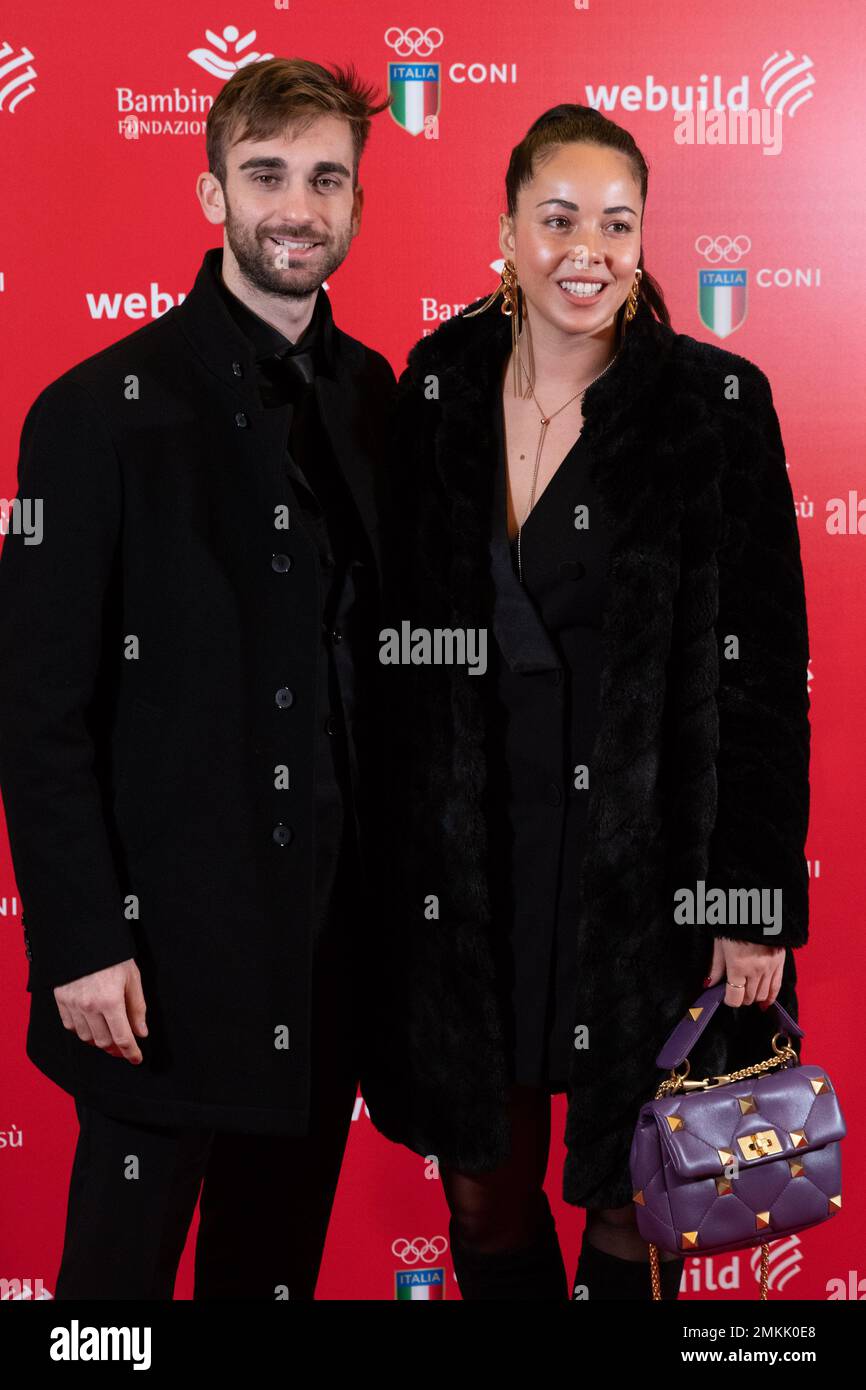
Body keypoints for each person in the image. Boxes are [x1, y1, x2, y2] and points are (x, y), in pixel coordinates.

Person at [360, 104, 811, 1301]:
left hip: (646, 869)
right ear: (504, 228)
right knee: (481, 1186)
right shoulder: (436, 386)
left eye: (616, 224)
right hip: (473, 866)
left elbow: (762, 671)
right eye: (557, 218)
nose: (587, 249)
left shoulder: (712, 405)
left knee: (635, 1190)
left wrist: (749, 900)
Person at [0, 57, 395, 1300]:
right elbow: (36, 705)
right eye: (266, 173)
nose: (297, 204)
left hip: (326, 954)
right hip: (156, 966)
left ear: (354, 206)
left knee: (268, 1275)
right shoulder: (93, 413)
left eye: (325, 177)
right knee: (108, 1304)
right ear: (210, 191)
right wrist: (79, 941)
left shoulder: (374, 396)